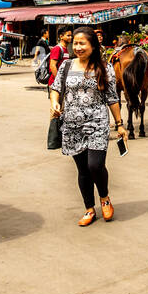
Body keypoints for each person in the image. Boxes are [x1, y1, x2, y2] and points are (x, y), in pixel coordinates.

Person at [50, 27, 125, 226]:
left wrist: (119, 124)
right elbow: (56, 89)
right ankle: (89, 209)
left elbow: (112, 98)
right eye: (75, 43)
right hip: (72, 125)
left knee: (95, 165)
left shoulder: (104, 67)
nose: (78, 47)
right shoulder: (66, 65)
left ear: (93, 45)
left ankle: (105, 197)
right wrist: (54, 103)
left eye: (82, 43)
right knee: (82, 170)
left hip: (97, 123)